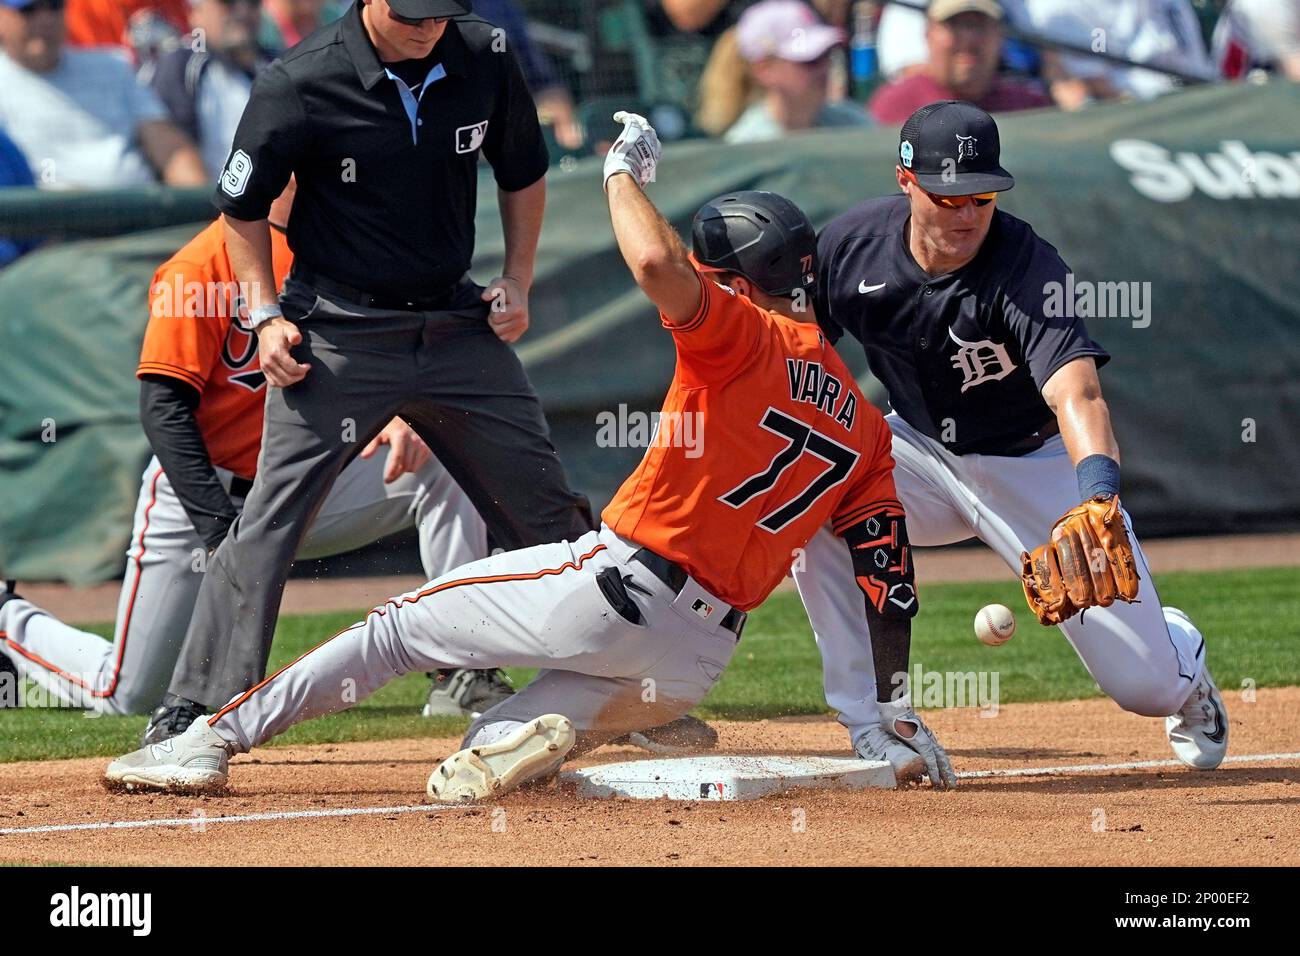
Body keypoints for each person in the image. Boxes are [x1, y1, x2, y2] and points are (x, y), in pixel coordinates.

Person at [102, 111, 956, 797]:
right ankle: (514, 741)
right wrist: (887, 714)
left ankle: (204, 740)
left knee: (397, 632)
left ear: (734, 281)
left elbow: (655, 259)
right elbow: (888, 581)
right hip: (698, 659)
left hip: (613, 588)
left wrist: (622, 169)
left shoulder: (743, 334)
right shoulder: (865, 427)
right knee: (481, 753)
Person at [137, 0, 599, 745]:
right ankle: (196, 715)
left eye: (442, 10)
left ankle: (616, 681)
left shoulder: (483, 53)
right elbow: (242, 206)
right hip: (340, 329)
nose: (428, 26)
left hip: (455, 323)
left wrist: (519, 277)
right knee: (266, 525)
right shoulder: (300, 80)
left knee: (547, 509)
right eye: (413, 11)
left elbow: (524, 168)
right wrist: (263, 315)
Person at [793, 100, 1228, 774]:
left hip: (1035, 462)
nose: (967, 214)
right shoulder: (853, 246)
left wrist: (1098, 497)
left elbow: (1077, 392)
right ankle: (873, 720)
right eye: (948, 196)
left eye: (983, 196)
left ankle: (1182, 660)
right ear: (905, 182)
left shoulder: (1026, 268)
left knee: (1145, 689)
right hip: (920, 451)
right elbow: (795, 348)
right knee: (812, 494)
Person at [0, 182, 506, 724]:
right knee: (128, 693)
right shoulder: (198, 269)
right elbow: (163, 410)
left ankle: (463, 670)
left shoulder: (347, 252)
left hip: (310, 487)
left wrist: (408, 413)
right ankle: (8, 619)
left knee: (444, 464)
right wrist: (220, 532)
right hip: (204, 495)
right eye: (293, 164)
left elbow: (396, 350)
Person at [0, 0, 206, 189]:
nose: (45, 20)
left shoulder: (113, 64)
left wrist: (198, 203)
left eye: (54, 6)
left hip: (142, 214)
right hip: (49, 222)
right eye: (28, 10)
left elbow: (167, 144)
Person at [868, 0, 1050, 124]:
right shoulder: (896, 107)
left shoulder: (1029, 108)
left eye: (979, 25)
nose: (968, 40)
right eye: (954, 25)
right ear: (928, 34)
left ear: (999, 35)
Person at [145, 0, 272, 180]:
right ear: (195, 10)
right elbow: (171, 156)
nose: (243, 10)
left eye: (253, 2)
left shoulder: (279, 63)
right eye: (228, 2)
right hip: (210, 202)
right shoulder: (181, 66)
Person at [724, 0, 869, 144]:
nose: (823, 69)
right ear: (765, 70)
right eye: (809, 61)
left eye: (826, 55)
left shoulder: (854, 123)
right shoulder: (748, 145)